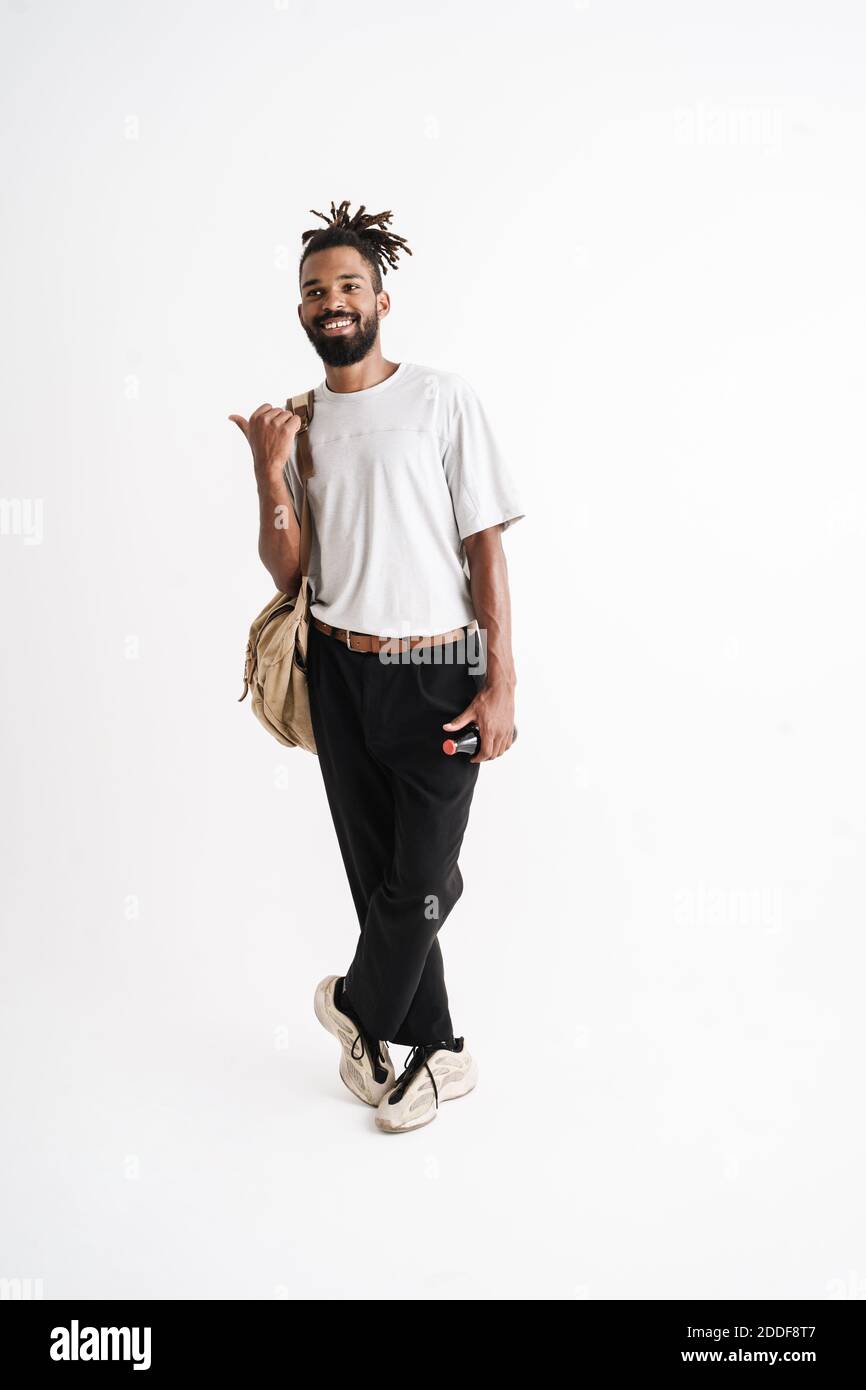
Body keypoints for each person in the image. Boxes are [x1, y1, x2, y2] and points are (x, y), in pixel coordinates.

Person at [230, 200, 525, 1133]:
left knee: (425, 876)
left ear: (382, 300)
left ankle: (355, 1004)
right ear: (303, 311)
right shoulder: (301, 421)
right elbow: (292, 569)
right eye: (315, 291)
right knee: (381, 877)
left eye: (349, 285)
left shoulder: (440, 397)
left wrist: (502, 679)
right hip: (341, 672)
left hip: (439, 666)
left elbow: (485, 547)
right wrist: (268, 471)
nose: (333, 301)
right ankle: (440, 1056)